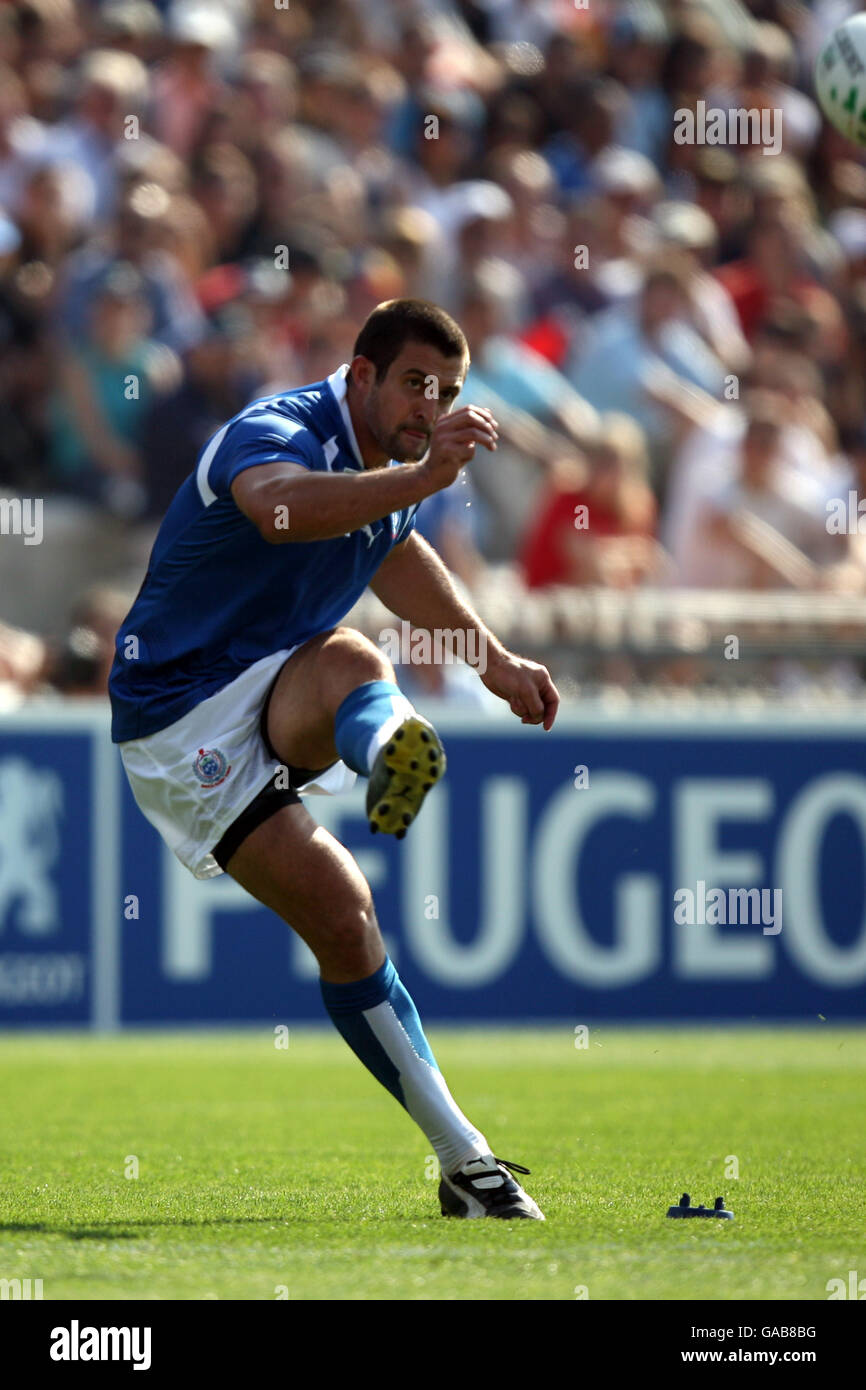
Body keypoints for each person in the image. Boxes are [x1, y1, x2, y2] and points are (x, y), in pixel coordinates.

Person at [108, 298, 559, 1220]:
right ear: (361, 375)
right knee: (345, 892)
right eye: (414, 385)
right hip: (179, 711)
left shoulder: (391, 471)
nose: (430, 407)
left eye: (449, 392)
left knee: (351, 914)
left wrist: (495, 660)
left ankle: (465, 1165)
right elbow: (277, 512)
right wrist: (423, 477)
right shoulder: (280, 430)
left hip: (277, 687)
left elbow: (395, 555)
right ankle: (387, 746)